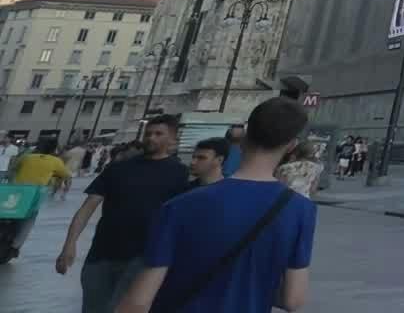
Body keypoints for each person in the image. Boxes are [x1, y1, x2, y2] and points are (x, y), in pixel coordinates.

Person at [117, 98, 318, 313]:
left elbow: (138, 301)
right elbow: (293, 300)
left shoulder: (180, 205)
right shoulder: (300, 210)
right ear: (291, 146)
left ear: (244, 139)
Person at [55, 115, 191, 313]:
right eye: (148, 133)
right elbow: (88, 207)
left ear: (172, 139)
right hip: (101, 254)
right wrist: (69, 243)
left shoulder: (180, 173)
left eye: (158, 134)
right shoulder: (118, 169)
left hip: (142, 258)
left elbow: (181, 219)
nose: (151, 138)